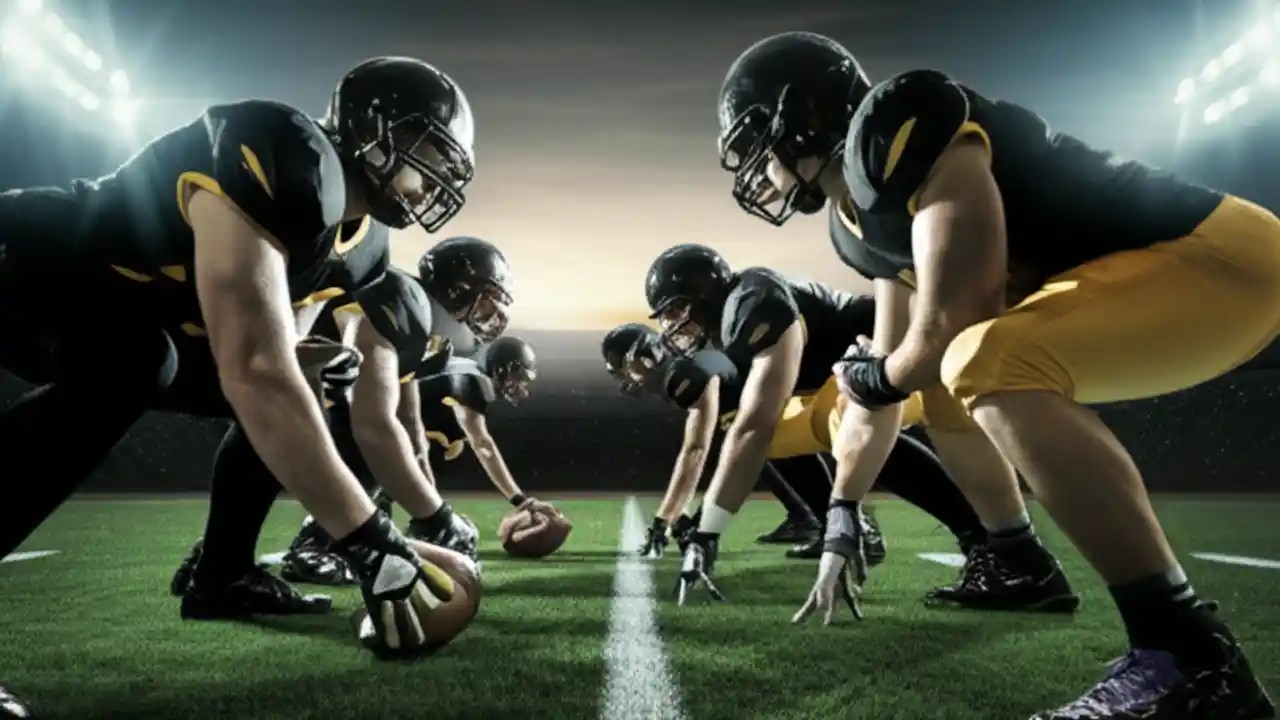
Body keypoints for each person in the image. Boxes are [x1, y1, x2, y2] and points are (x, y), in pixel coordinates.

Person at [719, 30, 1276, 720]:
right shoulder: (852, 222)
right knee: (945, 383)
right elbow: (890, 379)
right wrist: (842, 512)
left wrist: (878, 376)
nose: (755, 169)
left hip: (1217, 256)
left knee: (977, 356)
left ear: (798, 115)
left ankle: (1188, 655)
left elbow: (957, 316)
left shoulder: (899, 117)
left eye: (754, 142)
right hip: (1144, 286)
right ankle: (1017, 559)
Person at [0, 55, 479, 716]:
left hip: (126, 316)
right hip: (31, 262)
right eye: (426, 153)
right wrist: (374, 546)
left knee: (288, 391)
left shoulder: (365, 249)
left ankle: (221, 575)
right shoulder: (285, 149)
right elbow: (255, 367)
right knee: (139, 362)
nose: (430, 183)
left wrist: (305, 363)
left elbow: (280, 351)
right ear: (373, 127)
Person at [640, 247, 1059, 610]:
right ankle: (1000, 551)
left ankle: (997, 547)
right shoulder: (732, 324)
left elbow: (755, 426)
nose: (671, 325)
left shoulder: (753, 302)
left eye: (675, 310)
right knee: (809, 431)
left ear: (702, 292)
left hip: (908, 352)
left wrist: (708, 532)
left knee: (848, 427)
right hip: (863, 372)